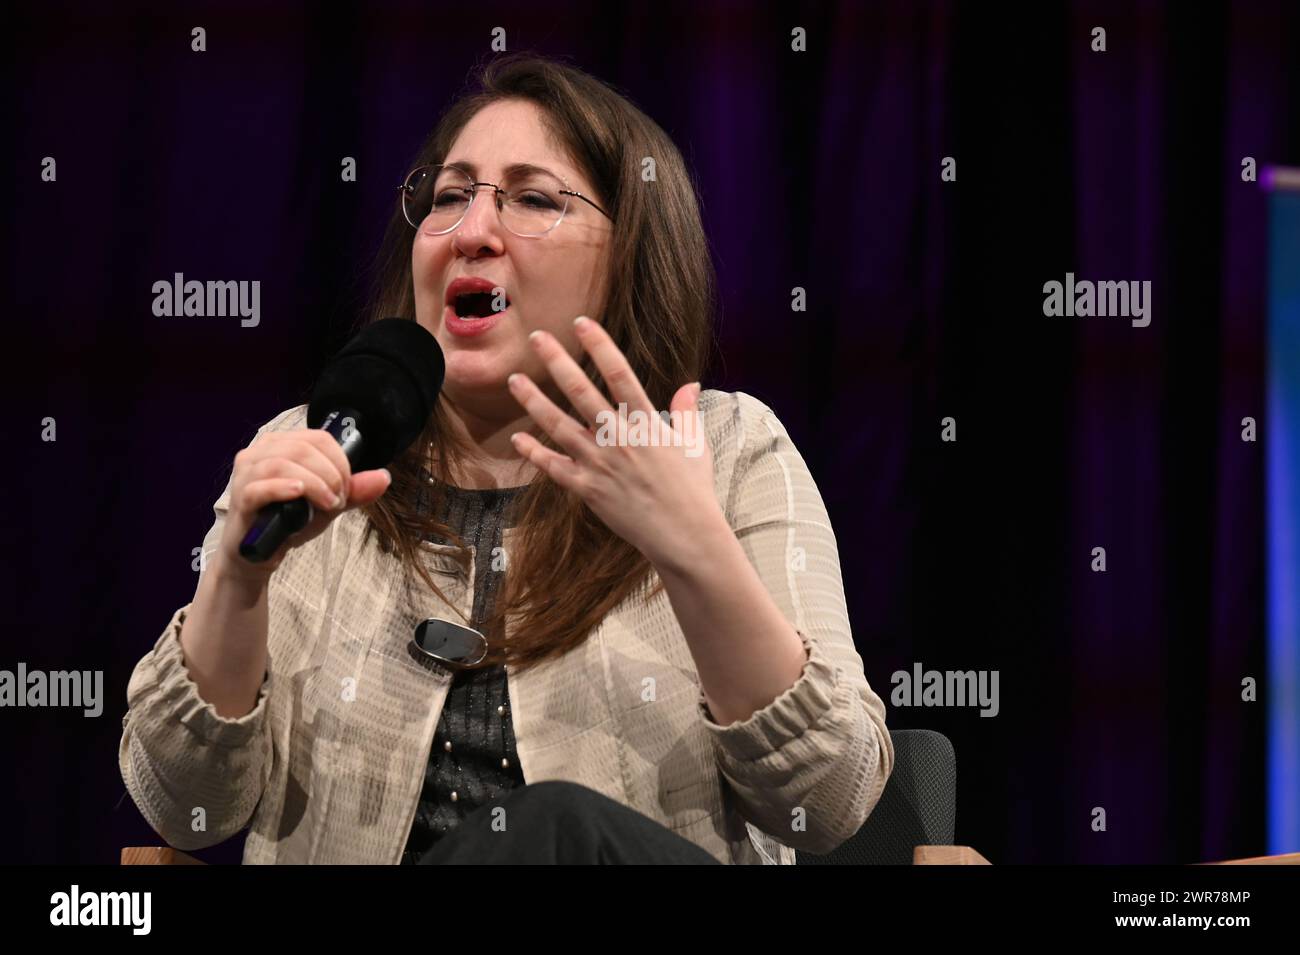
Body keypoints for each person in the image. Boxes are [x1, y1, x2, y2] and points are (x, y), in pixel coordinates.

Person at [119, 53, 893, 865]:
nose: (472, 232)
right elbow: (188, 812)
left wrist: (695, 550)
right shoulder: (315, 453)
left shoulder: (728, 451)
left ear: (628, 252)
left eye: (531, 199)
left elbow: (832, 798)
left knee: (553, 829)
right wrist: (238, 582)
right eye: (449, 197)